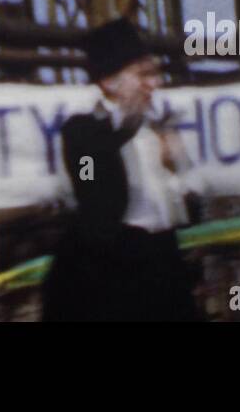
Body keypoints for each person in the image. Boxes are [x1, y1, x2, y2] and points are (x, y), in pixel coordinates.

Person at [42, 18, 202, 321]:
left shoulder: (157, 130)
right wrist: (130, 124)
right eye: (143, 74)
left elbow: (190, 215)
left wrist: (179, 171)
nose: (154, 84)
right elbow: (97, 203)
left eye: (155, 74)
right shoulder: (82, 132)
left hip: (162, 268)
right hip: (109, 276)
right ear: (108, 82)